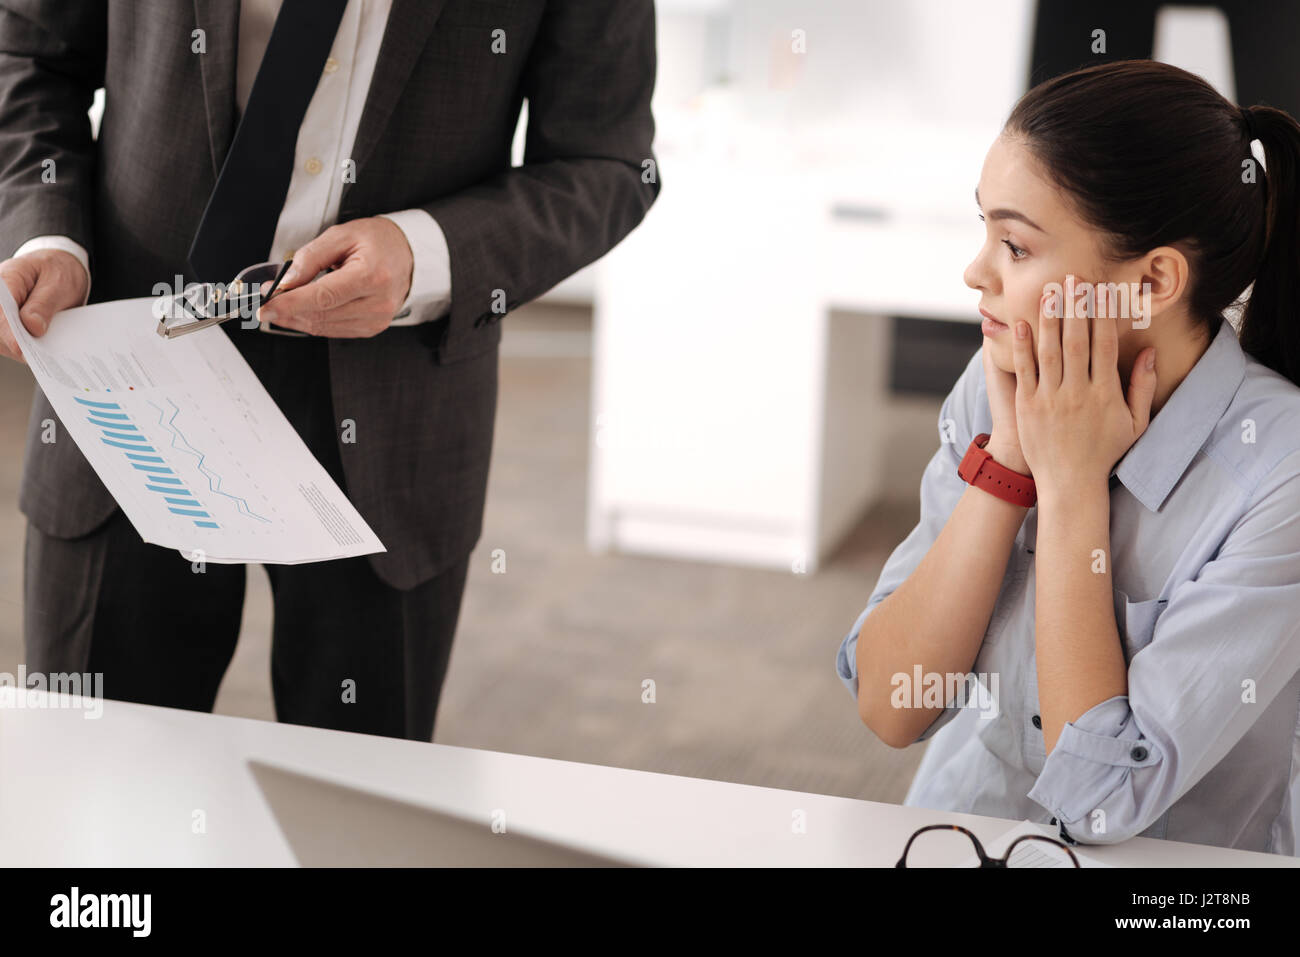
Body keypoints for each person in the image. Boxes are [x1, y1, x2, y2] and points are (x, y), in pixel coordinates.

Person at [0, 0, 659, 740]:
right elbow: (28, 54)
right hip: (128, 378)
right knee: (92, 779)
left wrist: (424, 256)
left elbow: (609, 166)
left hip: (391, 405)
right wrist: (44, 233)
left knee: (359, 811)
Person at [836, 60, 1300, 854]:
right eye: (983, 230)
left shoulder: (1278, 472)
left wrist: (1072, 487)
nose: (976, 272)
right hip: (962, 828)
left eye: (1015, 245)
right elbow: (890, 704)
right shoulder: (997, 386)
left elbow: (1100, 802)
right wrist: (1009, 460)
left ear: (1151, 280)